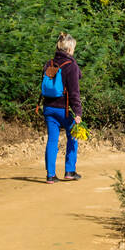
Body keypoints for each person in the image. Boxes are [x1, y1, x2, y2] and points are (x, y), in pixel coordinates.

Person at [41, 33, 83, 183]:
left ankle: (50, 175)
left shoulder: (49, 63)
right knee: (73, 137)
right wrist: (78, 112)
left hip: (48, 108)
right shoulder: (71, 66)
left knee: (52, 140)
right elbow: (74, 92)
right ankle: (70, 171)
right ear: (70, 48)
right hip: (64, 110)